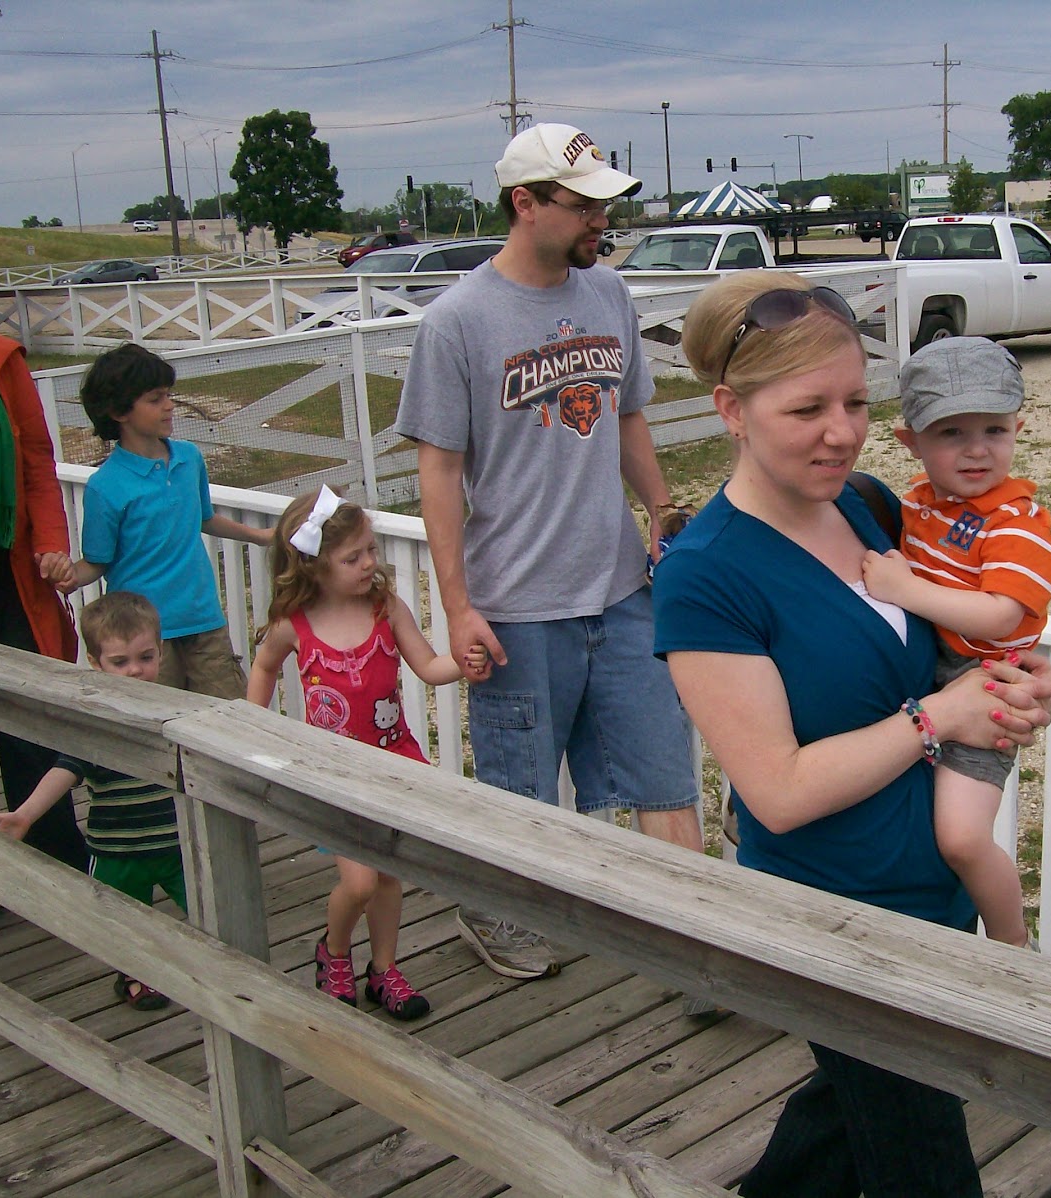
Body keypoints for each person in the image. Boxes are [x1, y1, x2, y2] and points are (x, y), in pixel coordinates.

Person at [651, 271, 1051, 1198]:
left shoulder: (870, 506)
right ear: (732, 409)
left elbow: (957, 646)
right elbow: (779, 793)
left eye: (856, 403)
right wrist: (937, 718)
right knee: (925, 1165)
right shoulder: (705, 576)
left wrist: (1017, 688)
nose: (842, 433)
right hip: (844, 924)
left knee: (842, 1123)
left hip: (932, 890)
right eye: (807, 409)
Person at [394, 122, 705, 985]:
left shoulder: (608, 293)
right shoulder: (456, 322)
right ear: (525, 203)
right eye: (584, 204)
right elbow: (438, 472)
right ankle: (493, 911)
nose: (602, 220)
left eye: (607, 203)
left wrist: (661, 508)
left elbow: (628, 415)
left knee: (664, 776)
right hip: (517, 608)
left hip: (623, 590)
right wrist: (458, 608)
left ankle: (695, 952)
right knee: (521, 797)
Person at [247, 486, 482, 1019]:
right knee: (359, 882)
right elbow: (263, 666)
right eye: (352, 557)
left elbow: (428, 666)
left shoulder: (385, 609)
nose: (369, 563)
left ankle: (383, 969)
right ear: (313, 565)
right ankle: (333, 951)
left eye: (370, 550)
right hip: (332, 774)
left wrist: (464, 663)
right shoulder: (294, 625)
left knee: (389, 875)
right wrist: (252, 724)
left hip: (391, 760)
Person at [859, 338, 1051, 948]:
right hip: (931, 677)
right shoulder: (921, 505)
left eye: (994, 429)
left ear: (1017, 429)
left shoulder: (1016, 521)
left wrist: (906, 589)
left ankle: (1011, 944)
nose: (977, 449)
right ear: (911, 443)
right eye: (952, 432)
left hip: (987, 684)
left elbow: (1001, 615)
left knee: (963, 838)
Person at [0, 221, 88, 920]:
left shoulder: (1, 360)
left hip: (5, 568)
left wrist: (52, 543)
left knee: (29, 710)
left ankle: (58, 861)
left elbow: (35, 459)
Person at [0, 591, 183, 1010]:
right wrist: (26, 815)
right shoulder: (96, 721)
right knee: (123, 923)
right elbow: (65, 769)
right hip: (116, 850)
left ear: (161, 651)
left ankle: (224, 976)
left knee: (215, 913)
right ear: (95, 663)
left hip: (176, 844)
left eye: (146, 657)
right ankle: (135, 975)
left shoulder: (178, 710)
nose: (135, 670)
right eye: (120, 662)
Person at [65, 343, 272, 699]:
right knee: (156, 720)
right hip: (141, 637)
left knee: (228, 715)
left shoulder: (189, 458)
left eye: (168, 395)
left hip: (203, 619)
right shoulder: (105, 486)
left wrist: (260, 535)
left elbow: (204, 518)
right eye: (155, 398)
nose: (169, 405)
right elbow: (97, 562)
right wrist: (66, 578)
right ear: (118, 411)